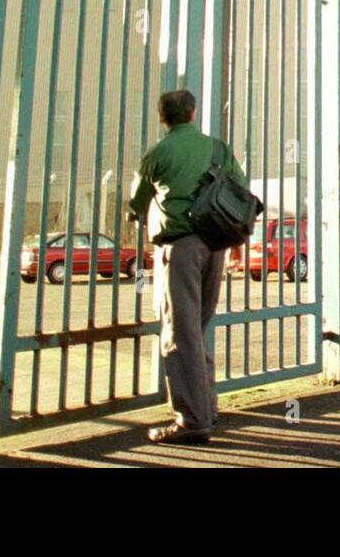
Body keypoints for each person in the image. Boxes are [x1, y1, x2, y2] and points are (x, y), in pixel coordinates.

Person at [128, 89, 246, 445]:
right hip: (216, 244)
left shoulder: (157, 154)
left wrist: (141, 211)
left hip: (180, 247)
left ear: (163, 118)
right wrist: (237, 244)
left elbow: (137, 202)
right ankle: (206, 407)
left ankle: (192, 421)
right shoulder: (217, 149)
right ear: (193, 113)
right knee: (198, 326)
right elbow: (240, 190)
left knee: (179, 333)